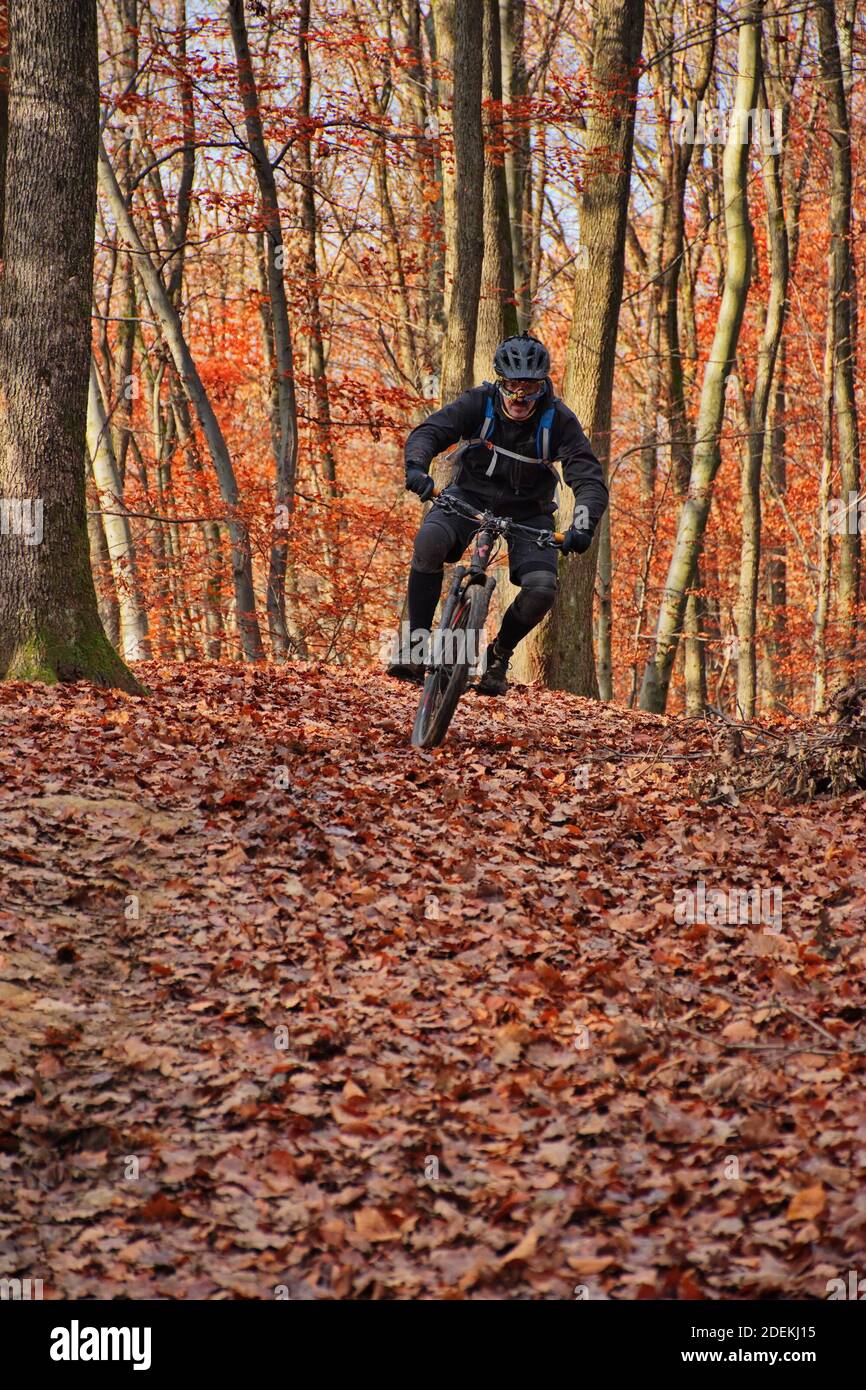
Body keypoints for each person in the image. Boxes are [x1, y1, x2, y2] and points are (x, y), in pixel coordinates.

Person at [388, 331, 609, 695]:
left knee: (542, 588)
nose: (520, 397)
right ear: (500, 381)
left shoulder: (559, 420)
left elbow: (588, 479)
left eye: (530, 388)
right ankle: (414, 645)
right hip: (468, 495)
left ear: (542, 385)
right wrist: (416, 468)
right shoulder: (478, 402)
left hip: (530, 511)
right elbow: (431, 432)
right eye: (512, 386)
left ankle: (499, 656)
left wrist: (582, 526)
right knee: (428, 543)